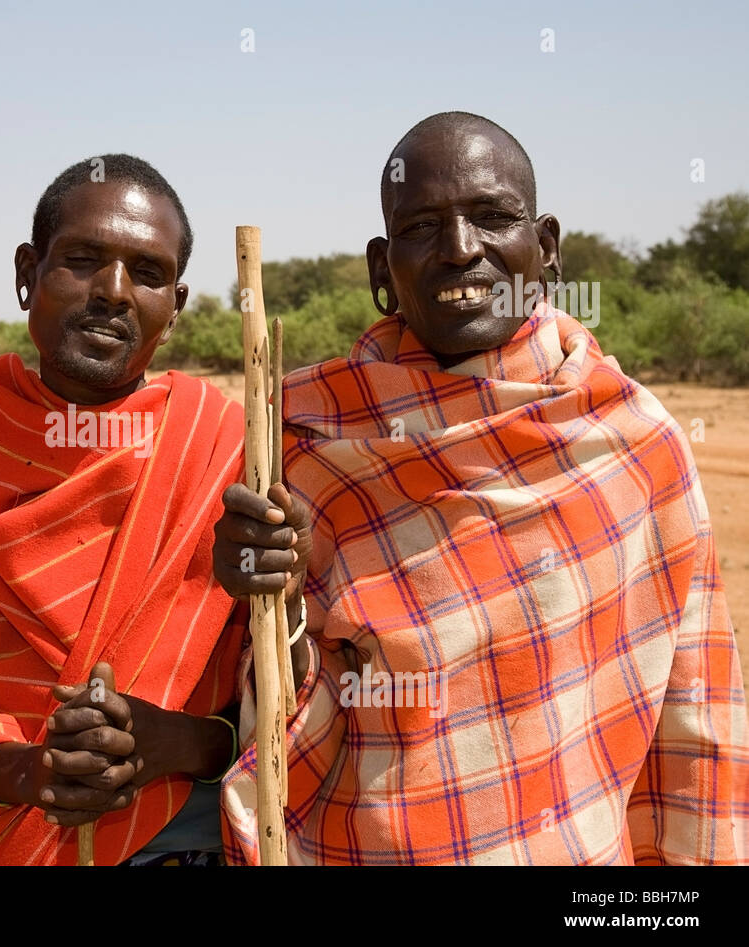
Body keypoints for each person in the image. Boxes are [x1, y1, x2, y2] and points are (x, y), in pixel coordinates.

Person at [213, 111, 748, 865]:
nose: (462, 251)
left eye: (493, 218)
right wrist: (272, 594)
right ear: (380, 269)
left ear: (547, 247)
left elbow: (694, 704)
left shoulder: (632, 437)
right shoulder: (300, 442)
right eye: (423, 227)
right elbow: (281, 701)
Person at [0, 154, 248, 865]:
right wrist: (30, 773)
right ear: (27, 272)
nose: (113, 292)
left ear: (175, 308)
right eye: (82, 261)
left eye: (146, 274)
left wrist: (172, 742)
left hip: (189, 841)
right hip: (2, 836)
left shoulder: (225, 450)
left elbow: (282, 705)